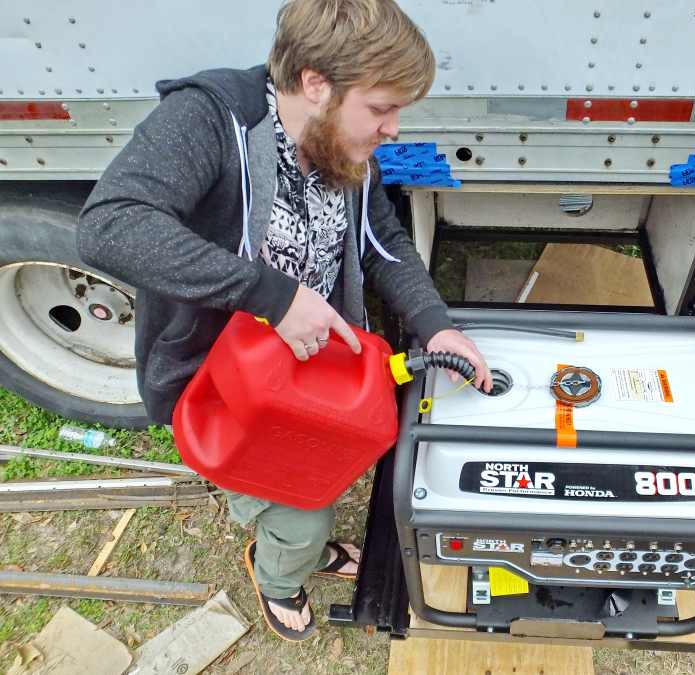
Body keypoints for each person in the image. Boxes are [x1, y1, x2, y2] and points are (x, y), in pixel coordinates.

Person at [77, 0, 491, 642]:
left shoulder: (336, 137)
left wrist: (434, 322)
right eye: (381, 109)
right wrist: (273, 296)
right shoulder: (209, 119)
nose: (393, 130)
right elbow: (110, 225)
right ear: (316, 84)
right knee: (302, 509)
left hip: (309, 366)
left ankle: (297, 543)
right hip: (226, 380)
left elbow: (378, 236)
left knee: (318, 476)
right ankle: (280, 575)